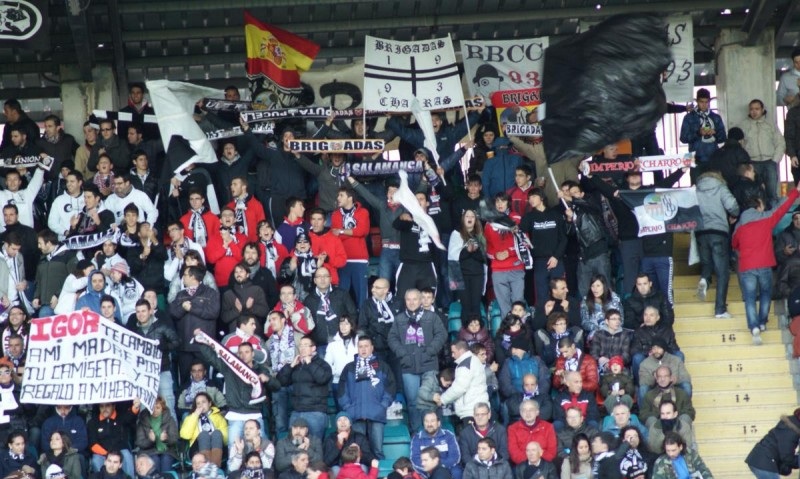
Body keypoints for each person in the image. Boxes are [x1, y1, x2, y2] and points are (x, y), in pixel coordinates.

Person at [733, 184, 800, 343]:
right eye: (762, 205)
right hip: (764, 264)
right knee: (765, 294)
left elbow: (734, 244)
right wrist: (796, 192)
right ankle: (762, 322)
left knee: (749, 298)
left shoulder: (740, 226)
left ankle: (753, 326)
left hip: (746, 266)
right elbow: (782, 208)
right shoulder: (766, 219)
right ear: (758, 206)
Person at [388, 289, 448, 432]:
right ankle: (417, 432)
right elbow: (392, 338)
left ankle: (434, 431)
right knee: (413, 402)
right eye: (408, 299)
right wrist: (403, 354)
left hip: (429, 364)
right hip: (408, 366)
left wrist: (430, 351)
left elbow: (442, 334)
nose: (412, 302)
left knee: (430, 400)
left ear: (421, 300)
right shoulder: (400, 318)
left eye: (415, 299)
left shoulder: (431, 317)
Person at [337, 335, 396, 460]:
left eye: (366, 346)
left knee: (377, 451)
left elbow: (391, 386)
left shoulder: (382, 366)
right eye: (360, 346)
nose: (363, 349)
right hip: (356, 415)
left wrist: (383, 405)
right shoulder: (349, 367)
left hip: (377, 414)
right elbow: (341, 390)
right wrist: (348, 407)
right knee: (357, 452)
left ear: (372, 348)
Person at [694, 165, 739, 318]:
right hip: (718, 232)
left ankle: (704, 280)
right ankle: (720, 309)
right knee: (722, 272)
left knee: (707, 263)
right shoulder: (720, 187)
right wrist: (734, 214)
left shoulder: (696, 189)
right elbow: (732, 205)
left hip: (701, 232)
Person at [128, 300, 180, 418]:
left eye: (143, 311)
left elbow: (177, 341)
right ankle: (144, 436)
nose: (140, 314)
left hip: (162, 371)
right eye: (138, 312)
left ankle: (172, 436)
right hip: (142, 375)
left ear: (150, 311)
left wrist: (164, 347)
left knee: (168, 406)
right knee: (143, 408)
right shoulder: (134, 331)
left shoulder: (162, 326)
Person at [169, 266, 220, 383]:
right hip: (184, 346)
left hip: (203, 345)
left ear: (192, 277)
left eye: (185, 275)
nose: (183, 278)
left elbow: (213, 312)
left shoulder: (211, 293)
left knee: (206, 380)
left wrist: (192, 308)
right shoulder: (181, 294)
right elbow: (173, 313)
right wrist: (183, 308)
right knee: (185, 382)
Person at [277, 336, 333, 440]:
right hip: (297, 412)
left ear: (313, 348)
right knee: (295, 447)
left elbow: (322, 378)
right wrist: (291, 366)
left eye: (306, 345)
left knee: (313, 446)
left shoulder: (322, 364)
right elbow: (281, 382)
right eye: (300, 346)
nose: (302, 348)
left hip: (315, 412)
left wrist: (310, 364)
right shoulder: (296, 365)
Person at [519, 188, 566, 307]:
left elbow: (564, 239)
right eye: (529, 198)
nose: (530, 200)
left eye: (533, 197)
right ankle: (544, 322)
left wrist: (556, 256)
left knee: (559, 292)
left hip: (557, 259)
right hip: (539, 260)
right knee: (542, 294)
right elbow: (520, 233)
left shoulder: (555, 214)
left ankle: (561, 320)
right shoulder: (529, 217)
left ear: (541, 198)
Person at [739, 99, 784, 208]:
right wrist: (746, 163)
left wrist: (775, 160)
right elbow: (740, 145)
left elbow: (780, 142)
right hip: (752, 164)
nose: (754, 112)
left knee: (772, 194)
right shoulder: (743, 125)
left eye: (757, 109)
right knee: (754, 195)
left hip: (769, 162)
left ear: (762, 110)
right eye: (751, 109)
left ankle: (774, 221)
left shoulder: (770, 124)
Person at [304, 267, 357, 357]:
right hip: (320, 344)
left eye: (325, 276)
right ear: (315, 280)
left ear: (331, 279)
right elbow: (307, 322)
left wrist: (346, 333)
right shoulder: (309, 300)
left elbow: (353, 314)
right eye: (319, 276)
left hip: (341, 342)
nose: (322, 279)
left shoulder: (342, 294)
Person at [679, 88, 726, 180]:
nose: (704, 105)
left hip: (713, 158)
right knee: (696, 188)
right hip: (696, 159)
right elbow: (683, 138)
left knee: (714, 187)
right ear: (697, 101)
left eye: (706, 102)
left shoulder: (716, 117)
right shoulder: (689, 118)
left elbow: (723, 137)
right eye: (701, 102)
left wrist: (715, 133)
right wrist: (698, 133)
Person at [745, 407, 800, 479]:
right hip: (764, 462)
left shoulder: (790, 425)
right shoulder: (791, 431)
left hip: (760, 460)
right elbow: (787, 457)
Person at [88, 402, 138, 477]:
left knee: (127, 456)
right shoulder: (93, 422)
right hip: (102, 454)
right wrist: (107, 454)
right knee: (96, 460)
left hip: (120, 452)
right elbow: (93, 444)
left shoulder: (121, 417)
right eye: (102, 406)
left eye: (107, 405)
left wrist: (136, 405)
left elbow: (132, 414)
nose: (104, 409)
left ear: (113, 406)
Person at [179, 392, 228, 467]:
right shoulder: (190, 417)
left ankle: (213, 468)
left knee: (217, 433)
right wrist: (195, 415)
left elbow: (226, 439)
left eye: (203, 402)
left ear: (209, 403)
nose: (201, 405)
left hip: (216, 446)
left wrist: (213, 435)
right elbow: (185, 435)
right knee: (204, 435)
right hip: (197, 449)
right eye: (198, 403)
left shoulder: (218, 417)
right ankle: (208, 468)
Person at [410, 413, 462, 479]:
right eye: (426, 421)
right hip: (425, 469)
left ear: (438, 423)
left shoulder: (448, 435)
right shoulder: (417, 438)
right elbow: (415, 459)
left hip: (447, 467)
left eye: (432, 421)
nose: (429, 424)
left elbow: (455, 457)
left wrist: (438, 466)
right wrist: (430, 467)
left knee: (456, 472)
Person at [134, 397, 179, 473]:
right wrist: (150, 440)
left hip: (167, 451)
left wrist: (166, 438)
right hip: (148, 451)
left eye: (158, 408)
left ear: (163, 408)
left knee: (166, 459)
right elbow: (140, 442)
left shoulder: (170, 419)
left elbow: (174, 439)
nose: (154, 411)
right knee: (154, 459)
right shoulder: (142, 420)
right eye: (152, 408)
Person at [579, 274, 623, 340]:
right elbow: (584, 322)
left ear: (604, 286)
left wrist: (611, 329)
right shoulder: (586, 300)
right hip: (595, 333)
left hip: (614, 330)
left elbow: (621, 319)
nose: (595, 289)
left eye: (598, 286)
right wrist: (600, 329)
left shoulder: (614, 298)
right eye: (592, 286)